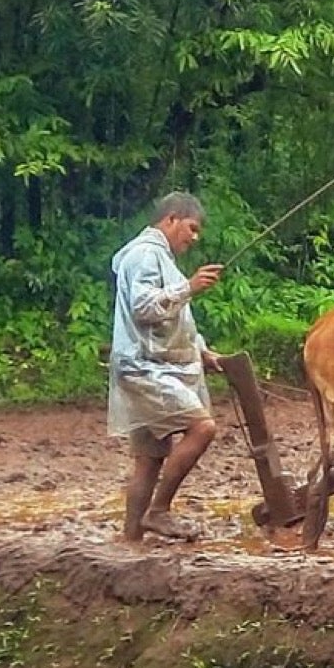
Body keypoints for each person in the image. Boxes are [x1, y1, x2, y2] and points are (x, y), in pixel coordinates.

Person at [109, 191, 224, 542]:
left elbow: (175, 321)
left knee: (149, 459)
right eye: (190, 227)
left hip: (147, 366)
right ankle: (158, 511)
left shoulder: (160, 258)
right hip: (145, 368)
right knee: (202, 428)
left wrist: (202, 350)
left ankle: (131, 541)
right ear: (170, 219)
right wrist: (189, 287)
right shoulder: (145, 255)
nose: (194, 237)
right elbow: (144, 308)